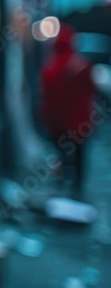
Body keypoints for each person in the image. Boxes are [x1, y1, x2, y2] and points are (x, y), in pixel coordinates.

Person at [38, 23, 97, 197]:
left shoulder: (50, 68)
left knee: (62, 158)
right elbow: (91, 89)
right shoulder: (80, 65)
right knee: (78, 158)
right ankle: (77, 189)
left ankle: (62, 188)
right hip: (78, 124)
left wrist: (46, 119)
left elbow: (46, 98)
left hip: (58, 124)